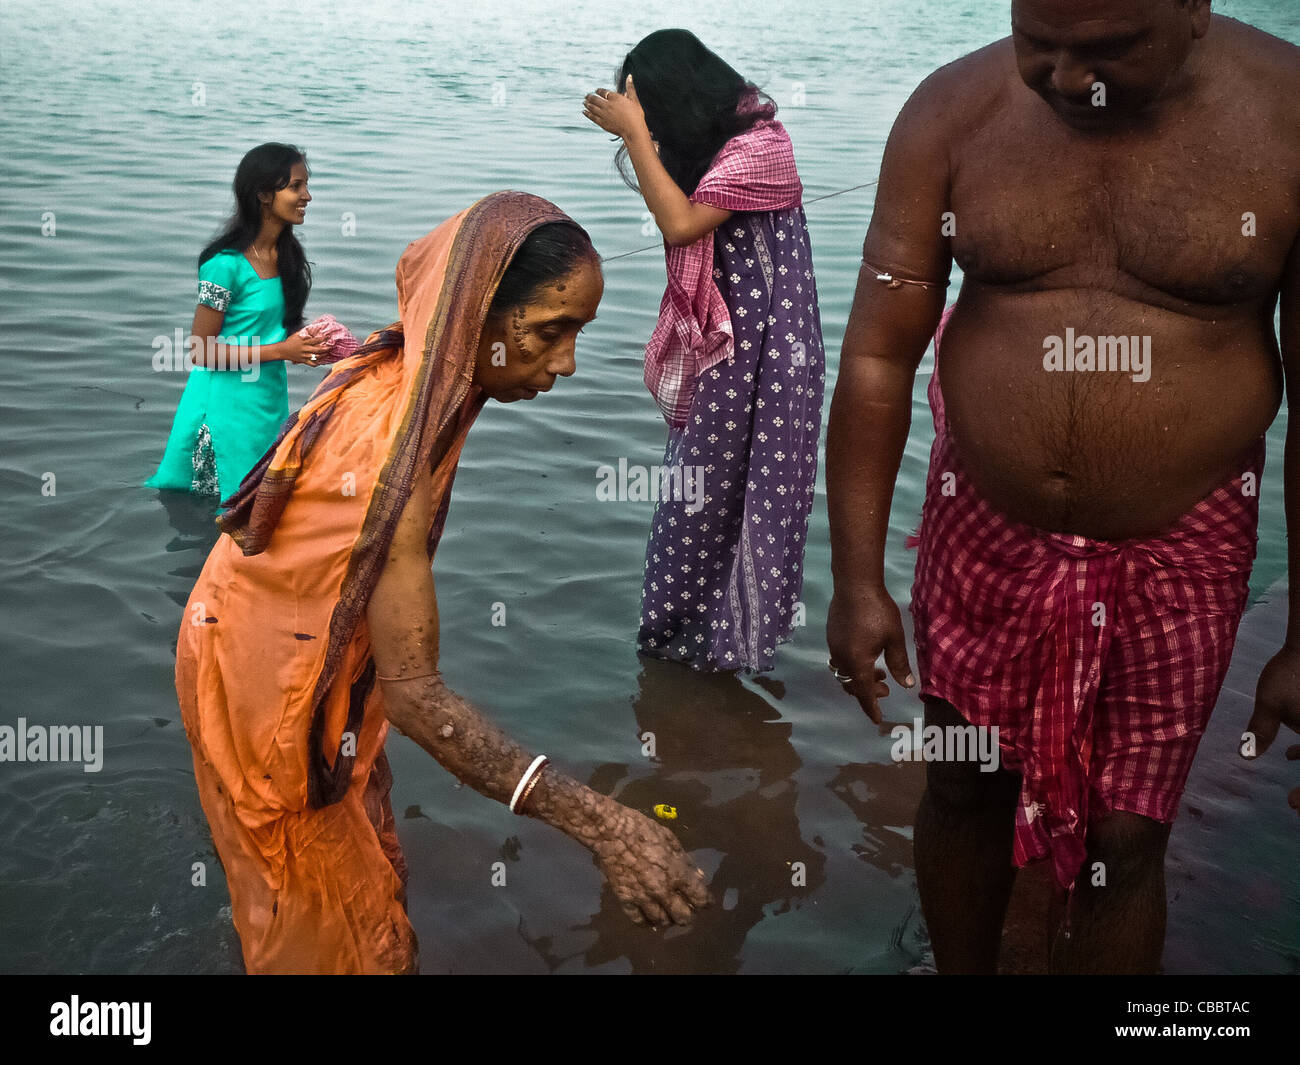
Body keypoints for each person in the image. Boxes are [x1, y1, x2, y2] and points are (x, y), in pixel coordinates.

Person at [826, 0, 1299, 974]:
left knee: (1128, 841)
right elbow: (877, 356)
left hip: (1182, 541)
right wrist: (857, 580)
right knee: (961, 784)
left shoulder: (1285, 121)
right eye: (1037, 45)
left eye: (1108, 50)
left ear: (1194, 10)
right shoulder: (949, 113)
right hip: (981, 530)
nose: (1064, 80)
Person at [175, 191, 710, 974]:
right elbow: (420, 698)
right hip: (261, 692)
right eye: (550, 331)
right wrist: (605, 824)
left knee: (351, 878)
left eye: (579, 334)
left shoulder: (406, 375)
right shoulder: (392, 451)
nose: (565, 364)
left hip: (270, 649)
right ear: (476, 316)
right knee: (327, 932)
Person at [583, 29, 826, 673]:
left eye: (653, 112)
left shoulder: (761, 147)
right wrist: (640, 134)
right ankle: (677, 652)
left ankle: (727, 646)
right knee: (696, 491)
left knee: (755, 490)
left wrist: (635, 134)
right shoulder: (724, 152)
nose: (651, 129)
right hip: (725, 352)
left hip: (767, 359)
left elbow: (680, 223)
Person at [145, 143, 328, 503]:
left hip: (267, 402)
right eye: (295, 186)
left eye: (306, 185)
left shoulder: (288, 256)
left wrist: (307, 346)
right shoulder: (224, 265)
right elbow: (200, 351)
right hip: (223, 407)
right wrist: (281, 349)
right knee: (223, 507)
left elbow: (275, 333)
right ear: (262, 194)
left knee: (259, 501)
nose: (307, 196)